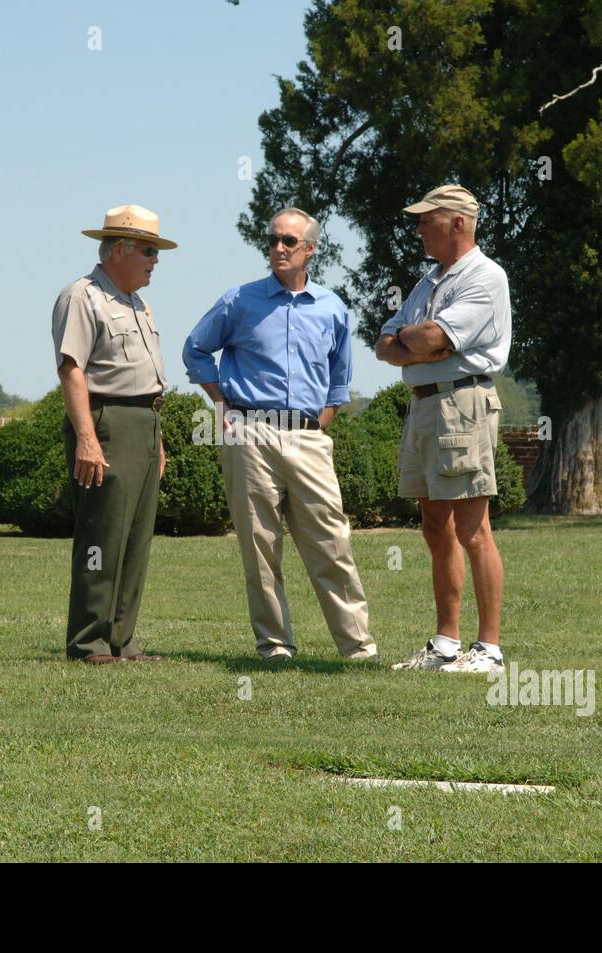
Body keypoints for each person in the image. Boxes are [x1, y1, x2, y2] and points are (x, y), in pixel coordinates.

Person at [183, 207, 379, 664]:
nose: (278, 248)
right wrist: (223, 406)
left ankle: (358, 648)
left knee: (332, 542)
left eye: (289, 241)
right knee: (259, 545)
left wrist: (315, 430)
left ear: (311, 249)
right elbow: (195, 349)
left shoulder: (332, 308)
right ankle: (274, 646)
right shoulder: (240, 301)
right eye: (272, 240)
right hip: (249, 434)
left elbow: (337, 383)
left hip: (309, 439)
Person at [375, 185, 511, 674]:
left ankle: (489, 650)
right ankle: (446, 644)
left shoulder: (485, 277)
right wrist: (416, 345)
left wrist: (418, 341)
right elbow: (384, 343)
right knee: (436, 528)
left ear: (457, 222)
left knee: (474, 530)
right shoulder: (427, 282)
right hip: (424, 407)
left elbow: (434, 337)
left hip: (462, 404)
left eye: (425, 220)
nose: (417, 230)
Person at [52, 204, 174, 664]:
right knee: (102, 536)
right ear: (118, 250)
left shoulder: (136, 302)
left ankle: (122, 640)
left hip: (145, 423)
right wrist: (87, 437)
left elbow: (144, 380)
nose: (154, 260)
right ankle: (89, 641)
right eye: (148, 250)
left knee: (136, 538)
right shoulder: (82, 296)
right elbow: (72, 369)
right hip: (108, 424)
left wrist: (156, 437)